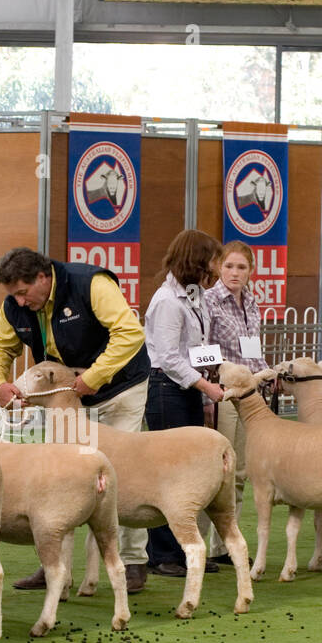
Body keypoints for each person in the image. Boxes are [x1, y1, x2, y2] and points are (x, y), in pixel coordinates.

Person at [0, 247, 151, 592]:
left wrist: (97, 376)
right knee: (58, 479)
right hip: (67, 400)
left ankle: (132, 561)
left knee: (121, 475)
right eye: (12, 294)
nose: (18, 302)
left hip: (119, 392)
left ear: (43, 278)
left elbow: (130, 333)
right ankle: (53, 565)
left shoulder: (91, 284)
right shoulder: (14, 306)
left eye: (23, 292)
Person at [143, 229, 224, 577]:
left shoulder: (195, 297)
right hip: (166, 390)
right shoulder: (167, 301)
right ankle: (162, 554)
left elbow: (197, 349)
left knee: (187, 473)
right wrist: (207, 385)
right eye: (212, 260)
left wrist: (206, 388)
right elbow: (169, 358)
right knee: (168, 474)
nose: (216, 268)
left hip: (187, 388)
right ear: (196, 261)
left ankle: (184, 550)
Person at [202, 241, 269, 564]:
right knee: (216, 472)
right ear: (218, 267)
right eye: (229, 266)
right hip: (221, 394)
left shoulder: (252, 304)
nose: (235, 273)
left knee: (240, 471)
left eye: (242, 267)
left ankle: (224, 543)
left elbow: (253, 352)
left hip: (249, 397)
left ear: (250, 271)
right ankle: (198, 544)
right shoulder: (209, 300)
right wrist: (209, 391)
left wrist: (265, 375)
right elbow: (201, 350)